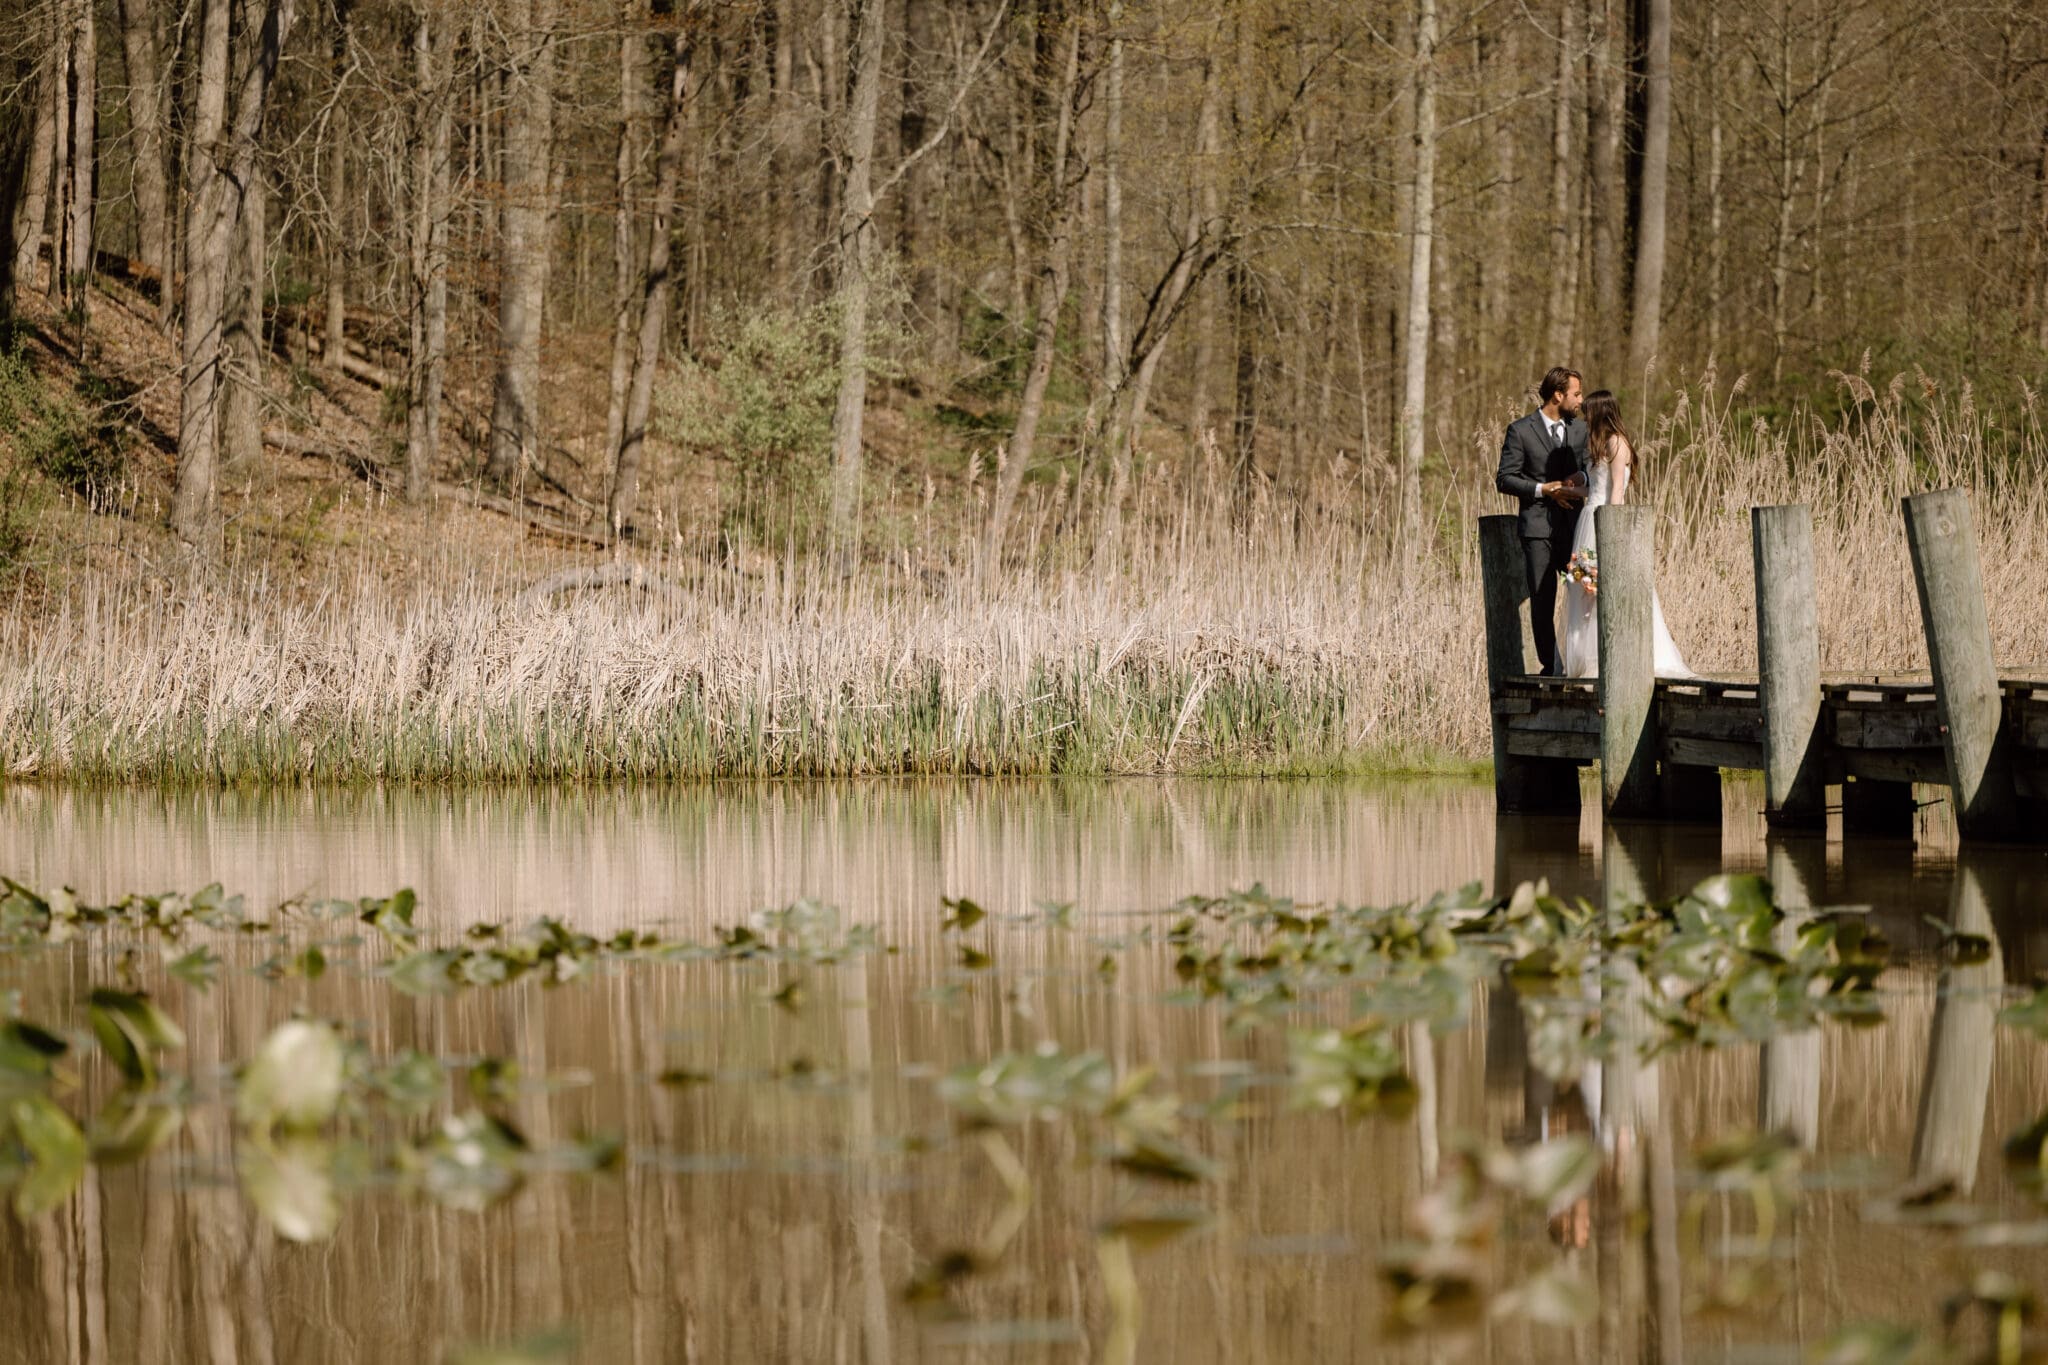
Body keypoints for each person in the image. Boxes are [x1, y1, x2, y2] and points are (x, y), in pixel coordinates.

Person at [1559, 390, 1693, 679]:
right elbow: (1596, 489)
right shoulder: (1600, 445)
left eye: (1589, 412)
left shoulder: (1617, 443)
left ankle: (1613, 657)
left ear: (1601, 412)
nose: (1585, 417)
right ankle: (1588, 658)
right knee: (1583, 588)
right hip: (1588, 521)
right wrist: (1567, 489)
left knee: (1603, 588)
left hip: (1605, 523)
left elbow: (1617, 491)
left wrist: (1613, 533)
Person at [1494, 367, 1587, 676]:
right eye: (1576, 394)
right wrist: (1543, 490)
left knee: (1588, 589)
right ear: (1557, 395)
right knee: (1543, 599)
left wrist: (1573, 485)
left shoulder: (1580, 430)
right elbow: (1505, 478)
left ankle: (1584, 661)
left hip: (1575, 528)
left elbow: (1590, 469)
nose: (1580, 400)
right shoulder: (1520, 430)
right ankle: (1552, 667)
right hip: (1537, 531)